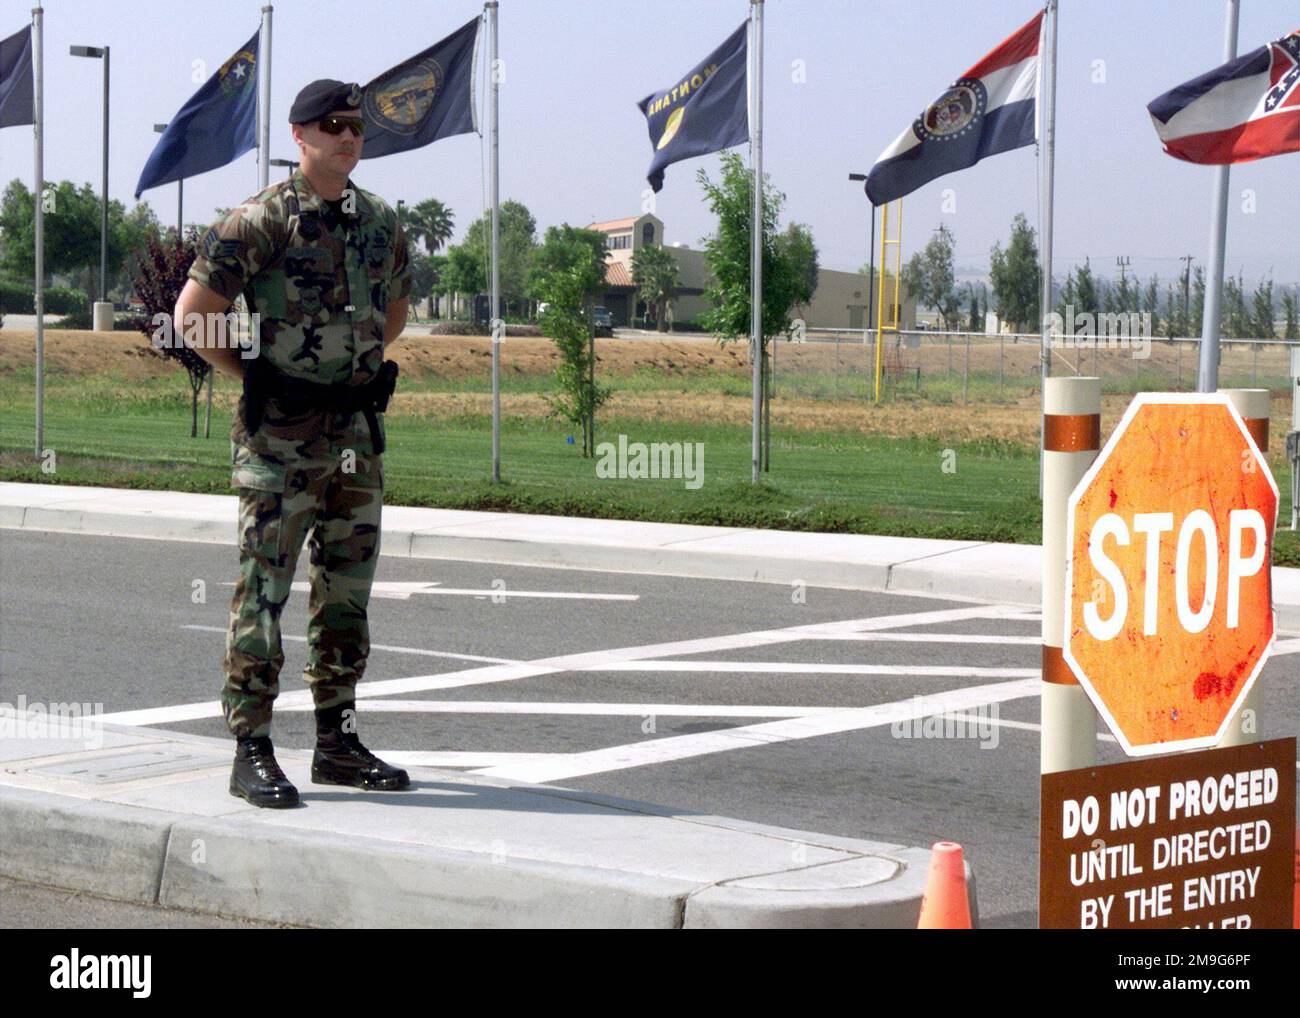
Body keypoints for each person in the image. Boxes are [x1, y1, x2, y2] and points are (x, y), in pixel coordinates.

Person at [175, 79, 412, 808]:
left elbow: (396, 313)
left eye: (357, 127)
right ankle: (251, 748)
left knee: (346, 597)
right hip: (279, 441)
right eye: (332, 125)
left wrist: (350, 366)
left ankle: (336, 743)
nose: (348, 136)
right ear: (300, 134)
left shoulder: (380, 222)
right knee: (264, 595)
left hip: (354, 441)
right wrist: (256, 378)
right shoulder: (259, 221)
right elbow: (193, 316)